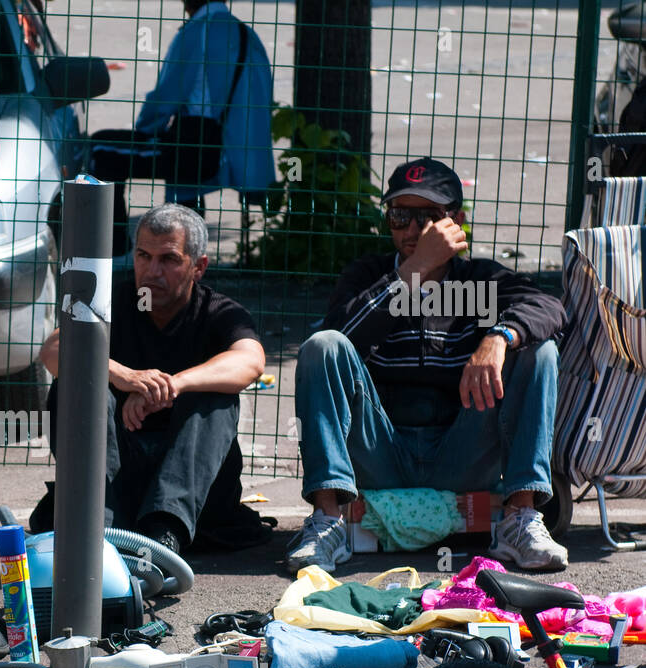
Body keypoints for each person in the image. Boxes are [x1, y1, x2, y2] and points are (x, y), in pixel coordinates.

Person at [286, 157, 570, 573]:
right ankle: (327, 522)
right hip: (382, 452)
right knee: (322, 346)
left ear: (456, 221)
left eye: (429, 217)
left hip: (461, 452)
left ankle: (520, 519)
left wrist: (498, 336)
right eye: (401, 216)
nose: (413, 229)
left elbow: (550, 308)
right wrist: (412, 273)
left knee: (538, 350)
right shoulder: (368, 274)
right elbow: (343, 334)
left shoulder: (478, 280)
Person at [34, 203, 267, 555]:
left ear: (198, 267)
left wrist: (172, 385)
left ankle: (163, 534)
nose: (152, 271)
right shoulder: (113, 301)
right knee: (76, 381)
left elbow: (251, 361)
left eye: (169, 259)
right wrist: (124, 376)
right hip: (115, 483)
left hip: (192, 490)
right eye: (143, 255)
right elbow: (53, 350)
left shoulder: (219, 311)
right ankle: (101, 530)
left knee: (216, 396)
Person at [86, 0, 275, 255]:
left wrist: (144, 131)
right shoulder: (246, 35)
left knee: (102, 150)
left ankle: (115, 253)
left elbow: (165, 97)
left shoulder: (196, 33)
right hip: (236, 155)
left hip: (197, 148)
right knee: (184, 182)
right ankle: (186, 256)